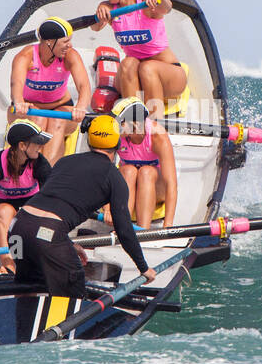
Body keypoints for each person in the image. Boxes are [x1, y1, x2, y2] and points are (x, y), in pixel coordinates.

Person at [9, 114, 155, 303]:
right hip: (48, 235)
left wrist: (66, 244)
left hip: (18, 227)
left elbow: (48, 208)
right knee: (73, 298)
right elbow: (124, 230)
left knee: (27, 286)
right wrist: (144, 268)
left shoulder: (65, 162)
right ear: (117, 144)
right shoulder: (114, 177)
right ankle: (69, 331)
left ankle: (19, 325)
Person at [90, 0, 187, 120]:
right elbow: (95, 27)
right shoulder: (111, 9)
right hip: (133, 76)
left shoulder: (147, 3)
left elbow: (167, 8)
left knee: (147, 67)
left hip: (169, 78)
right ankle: (133, 123)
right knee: (128, 62)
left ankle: (154, 124)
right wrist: (100, 10)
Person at [0, 121, 53, 274]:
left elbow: (50, 202)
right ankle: (9, 265)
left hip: (32, 209)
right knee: (3, 210)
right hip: (7, 212)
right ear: (22, 146)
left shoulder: (40, 164)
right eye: (37, 143)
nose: (40, 147)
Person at [8, 16, 91, 164]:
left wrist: (81, 107)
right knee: (37, 121)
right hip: (28, 109)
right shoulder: (25, 57)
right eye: (65, 41)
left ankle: (47, 173)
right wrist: (19, 102)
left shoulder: (70, 56)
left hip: (60, 107)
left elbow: (84, 86)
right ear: (49, 42)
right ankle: (30, 170)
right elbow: (16, 84)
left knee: (57, 119)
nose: (70, 45)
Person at [113, 97, 178, 229]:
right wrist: (107, 209)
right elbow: (104, 172)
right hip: (129, 183)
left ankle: (143, 231)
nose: (114, 126)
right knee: (128, 170)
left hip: (156, 187)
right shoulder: (116, 135)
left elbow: (171, 183)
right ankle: (122, 228)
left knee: (146, 172)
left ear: (133, 124)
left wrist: (168, 225)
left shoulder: (157, 136)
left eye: (119, 123)